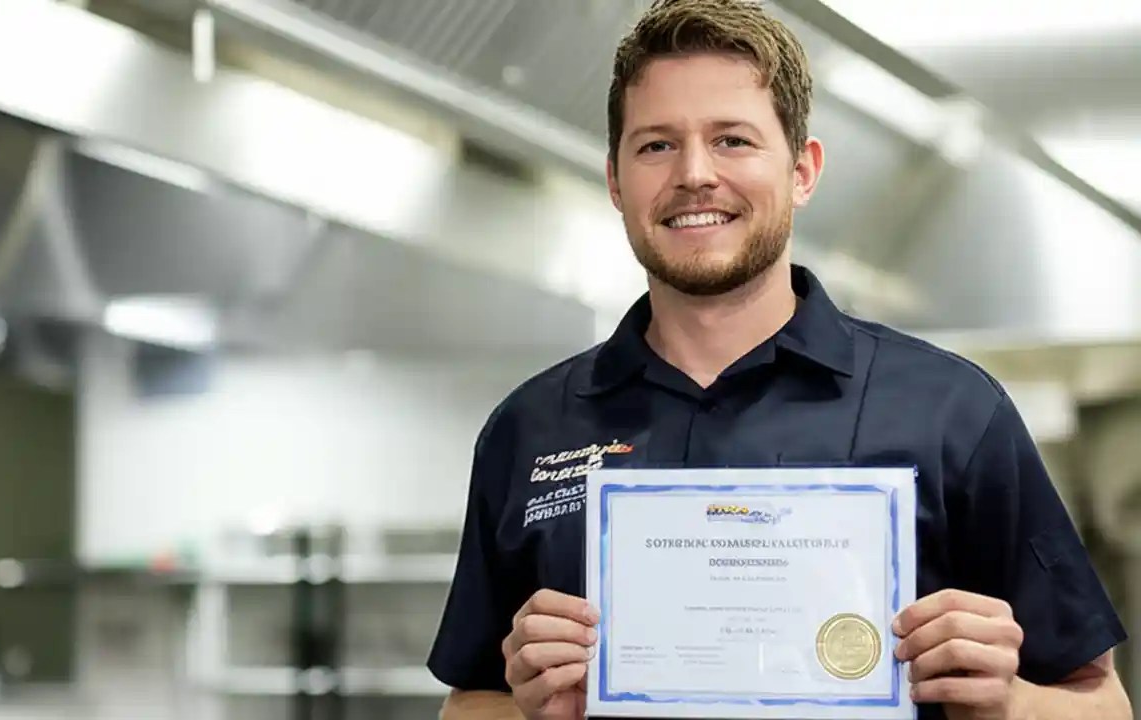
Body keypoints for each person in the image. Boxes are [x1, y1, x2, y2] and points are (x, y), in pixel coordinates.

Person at [427, 0, 1132, 718]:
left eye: (732, 140)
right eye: (655, 146)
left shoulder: (953, 411)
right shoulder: (531, 428)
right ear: (615, 179)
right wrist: (531, 707)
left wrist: (1005, 702)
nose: (694, 174)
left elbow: (1103, 702)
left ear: (802, 170)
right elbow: (469, 702)